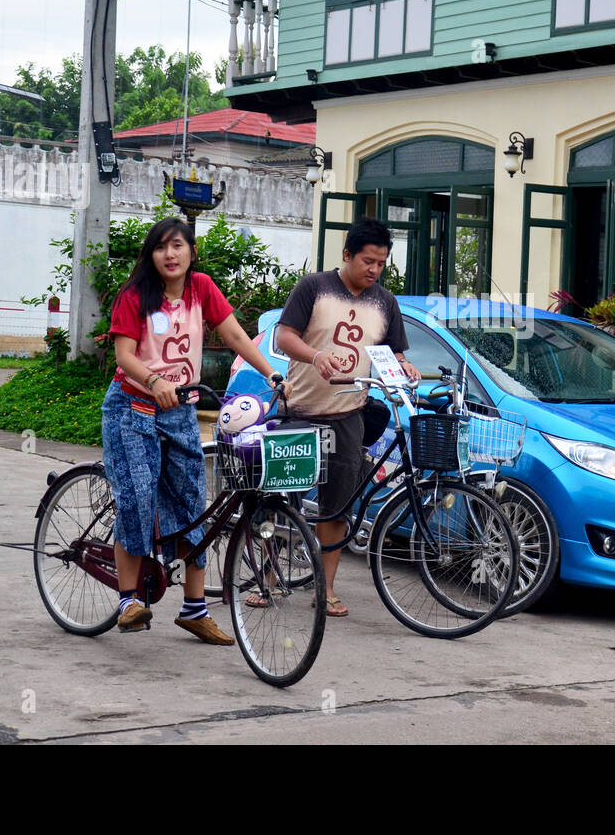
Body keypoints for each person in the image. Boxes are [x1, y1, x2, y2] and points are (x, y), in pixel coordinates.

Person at [103, 216, 286, 643]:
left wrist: (274, 375)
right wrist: (155, 381)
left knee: (192, 505)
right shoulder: (135, 296)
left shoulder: (201, 288)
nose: (170, 254)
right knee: (138, 497)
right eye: (161, 247)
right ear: (151, 255)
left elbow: (237, 336)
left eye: (178, 246)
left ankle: (194, 609)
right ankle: (128, 600)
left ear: (191, 252)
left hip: (180, 411)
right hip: (132, 407)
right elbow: (125, 355)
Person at [274, 217, 419, 617]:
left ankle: (326, 588)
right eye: (367, 260)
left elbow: (394, 350)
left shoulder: (385, 302)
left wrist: (405, 366)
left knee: (335, 507)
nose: (374, 269)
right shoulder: (314, 287)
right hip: (299, 409)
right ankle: (267, 579)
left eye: (381, 263)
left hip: (347, 414)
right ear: (347, 255)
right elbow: (284, 337)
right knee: (278, 501)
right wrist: (316, 356)